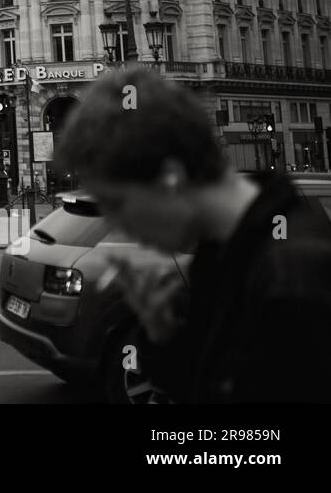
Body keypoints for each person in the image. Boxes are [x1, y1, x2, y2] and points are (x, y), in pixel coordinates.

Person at [55, 67, 331, 403]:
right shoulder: (221, 252)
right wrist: (164, 335)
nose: (121, 225)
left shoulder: (293, 277)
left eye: (118, 203)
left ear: (169, 177)